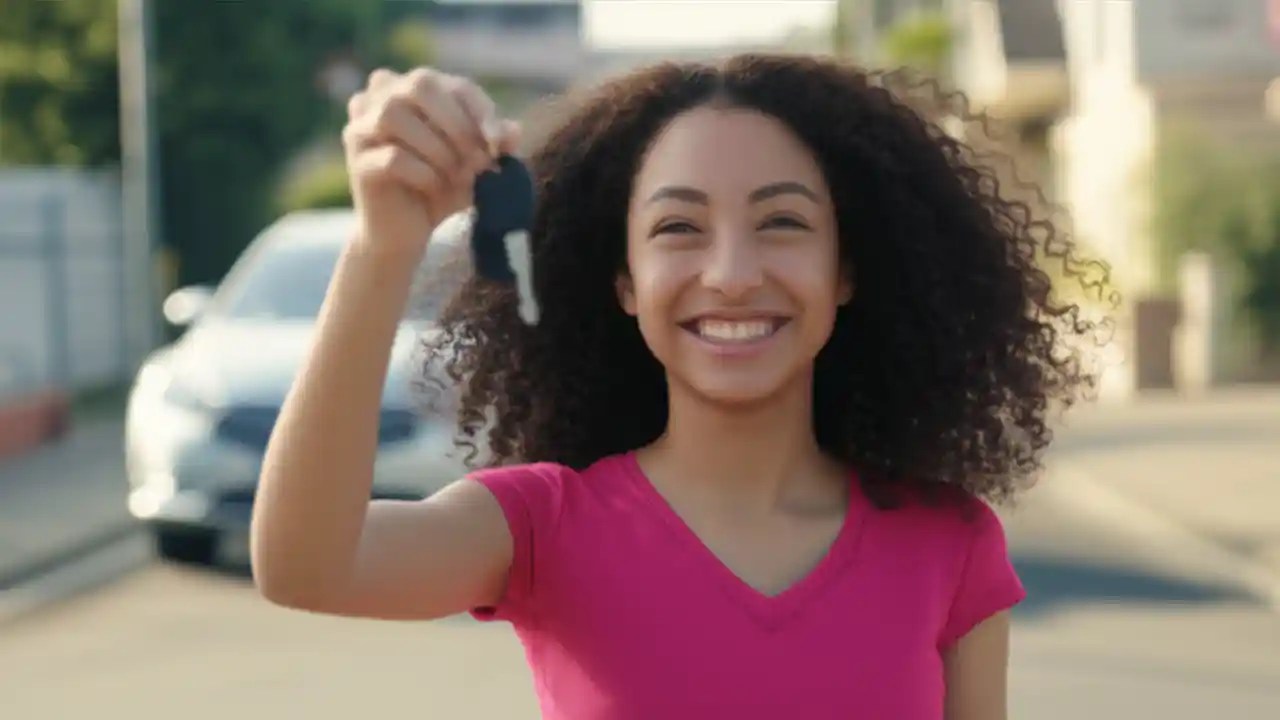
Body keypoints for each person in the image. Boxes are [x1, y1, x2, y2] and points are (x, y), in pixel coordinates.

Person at [251, 53, 1109, 719]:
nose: (732, 274)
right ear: (623, 281)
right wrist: (381, 247)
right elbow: (303, 568)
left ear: (845, 269)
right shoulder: (540, 528)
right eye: (678, 228)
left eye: (782, 223)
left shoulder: (950, 545)